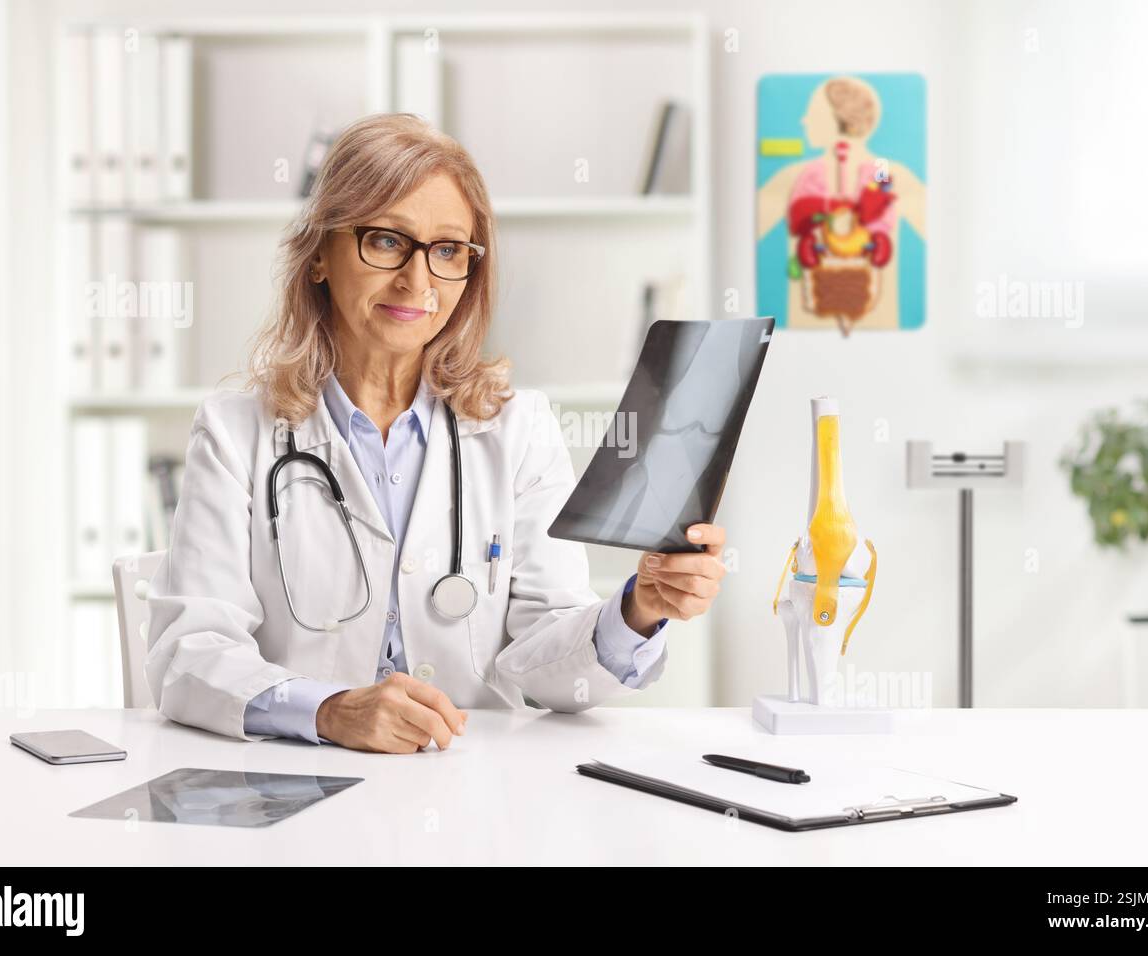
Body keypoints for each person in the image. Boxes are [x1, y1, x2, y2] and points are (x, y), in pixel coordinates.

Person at [145, 114, 729, 753]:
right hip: (297, 784)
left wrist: (640, 607)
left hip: (473, 791)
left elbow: (549, 660)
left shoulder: (518, 430)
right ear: (318, 255)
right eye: (387, 241)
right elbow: (190, 655)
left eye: (448, 250)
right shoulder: (236, 434)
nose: (418, 281)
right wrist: (330, 710)